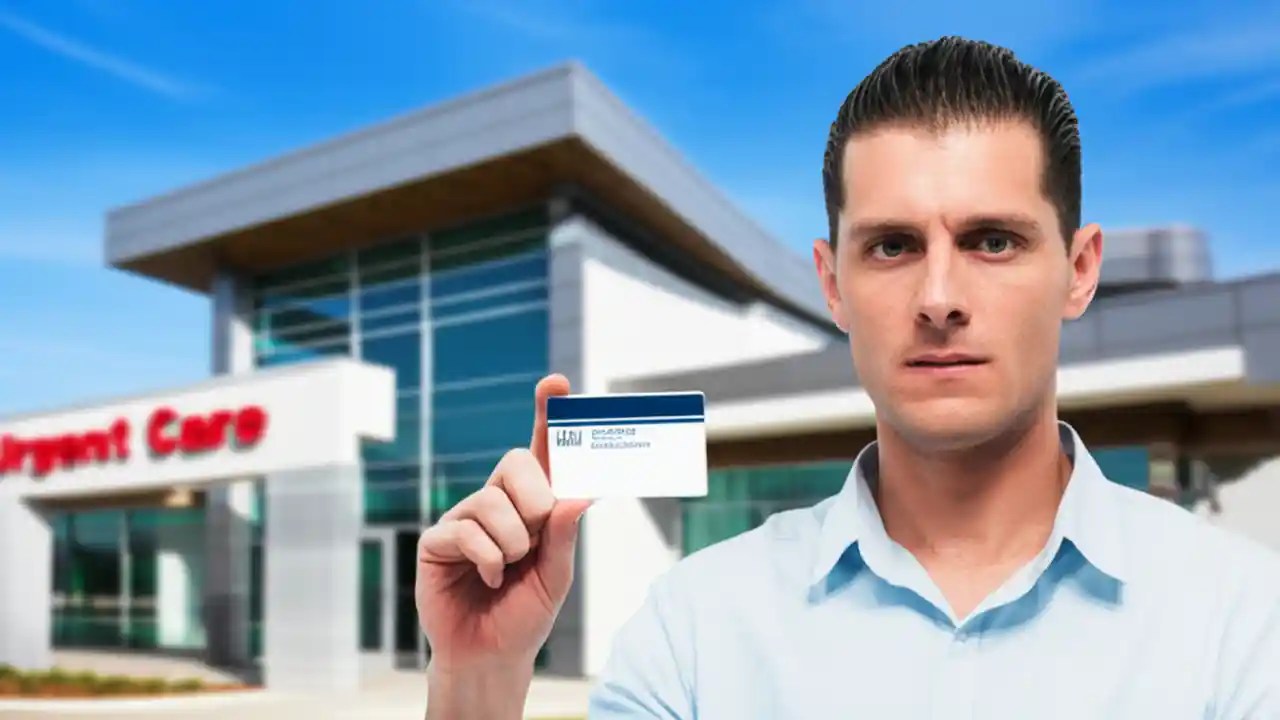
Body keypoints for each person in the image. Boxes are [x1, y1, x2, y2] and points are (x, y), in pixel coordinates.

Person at [415, 37, 1280, 718]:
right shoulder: (693, 631)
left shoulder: (1244, 623)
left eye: (993, 241)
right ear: (832, 284)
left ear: (1080, 270)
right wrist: (478, 682)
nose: (939, 299)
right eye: (893, 246)